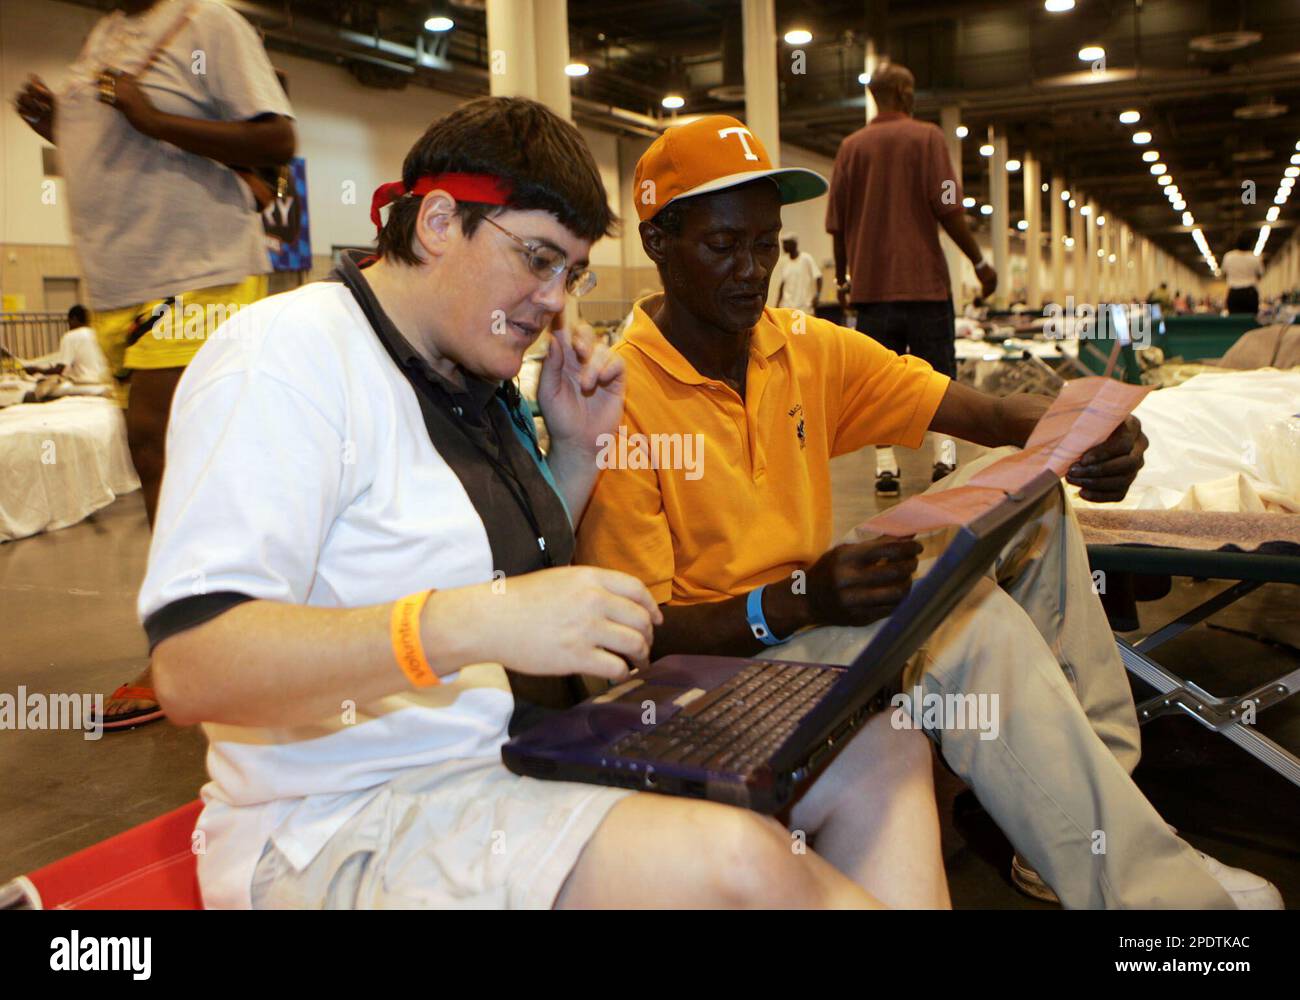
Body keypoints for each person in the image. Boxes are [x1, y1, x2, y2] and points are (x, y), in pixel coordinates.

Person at [139, 96, 948, 910]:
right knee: (742, 866)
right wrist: (469, 621)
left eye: (572, 272)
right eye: (536, 258)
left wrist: (573, 454)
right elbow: (192, 665)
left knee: (883, 752)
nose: (555, 300)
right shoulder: (284, 357)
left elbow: (503, 580)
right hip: (341, 823)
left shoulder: (471, 374)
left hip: (512, 761)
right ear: (439, 223)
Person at [574, 113, 1282, 910]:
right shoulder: (616, 398)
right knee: (964, 619)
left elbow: (986, 415)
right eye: (722, 246)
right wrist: (800, 601)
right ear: (658, 243)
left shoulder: (798, 347)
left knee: (1032, 500)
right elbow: (637, 642)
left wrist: (1092, 432)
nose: (752, 270)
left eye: (767, 244)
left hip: (812, 615)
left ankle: (1084, 829)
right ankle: (1167, 905)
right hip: (720, 672)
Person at [14, 0, 296, 729]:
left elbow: (278, 135)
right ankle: (244, 623)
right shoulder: (105, 34)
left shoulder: (207, 22)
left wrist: (147, 117)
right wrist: (60, 124)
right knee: (165, 461)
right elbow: (127, 153)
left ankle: (188, 643)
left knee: (161, 447)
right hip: (118, 285)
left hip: (195, 273)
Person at [826, 62, 994, 496]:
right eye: (912, 89)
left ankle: (886, 467)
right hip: (926, 288)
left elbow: (837, 223)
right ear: (902, 92)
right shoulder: (928, 138)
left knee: (877, 384)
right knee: (939, 376)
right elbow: (949, 208)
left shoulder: (851, 148)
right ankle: (944, 458)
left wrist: (844, 280)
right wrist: (978, 261)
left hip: (872, 293)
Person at [15, 305, 112, 386]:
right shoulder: (96, 334)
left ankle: (27, 363)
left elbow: (59, 370)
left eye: (68, 321)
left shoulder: (70, 336)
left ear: (73, 319)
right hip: (104, 379)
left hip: (85, 381)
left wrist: (37, 370)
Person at [772, 233, 821, 313]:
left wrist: (817, 294)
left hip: (804, 308)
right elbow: (782, 285)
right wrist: (777, 304)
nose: (783, 246)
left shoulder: (806, 259)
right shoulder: (784, 262)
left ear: (794, 244)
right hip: (788, 308)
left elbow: (818, 277)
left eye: (786, 244)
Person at [1223, 232, 1264, 315]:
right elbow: (1260, 275)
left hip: (1234, 294)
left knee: (1234, 321)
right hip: (1250, 294)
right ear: (1250, 244)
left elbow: (1224, 274)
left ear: (1236, 244)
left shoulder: (1228, 256)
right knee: (1251, 321)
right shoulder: (1255, 257)